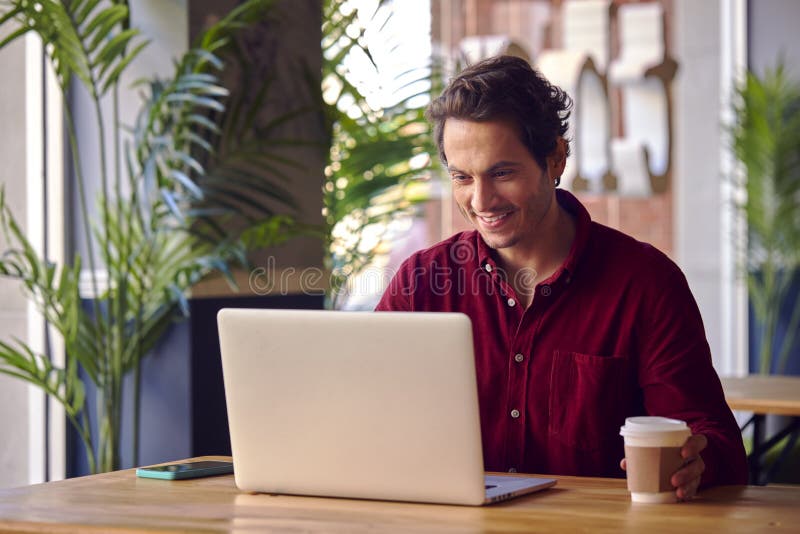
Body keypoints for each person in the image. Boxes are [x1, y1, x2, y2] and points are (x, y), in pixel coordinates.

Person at [375, 55, 747, 499]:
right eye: (462, 177)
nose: (481, 200)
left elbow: (718, 445)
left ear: (555, 158)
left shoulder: (647, 284)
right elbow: (362, 409)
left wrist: (697, 462)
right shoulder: (421, 282)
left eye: (502, 173)